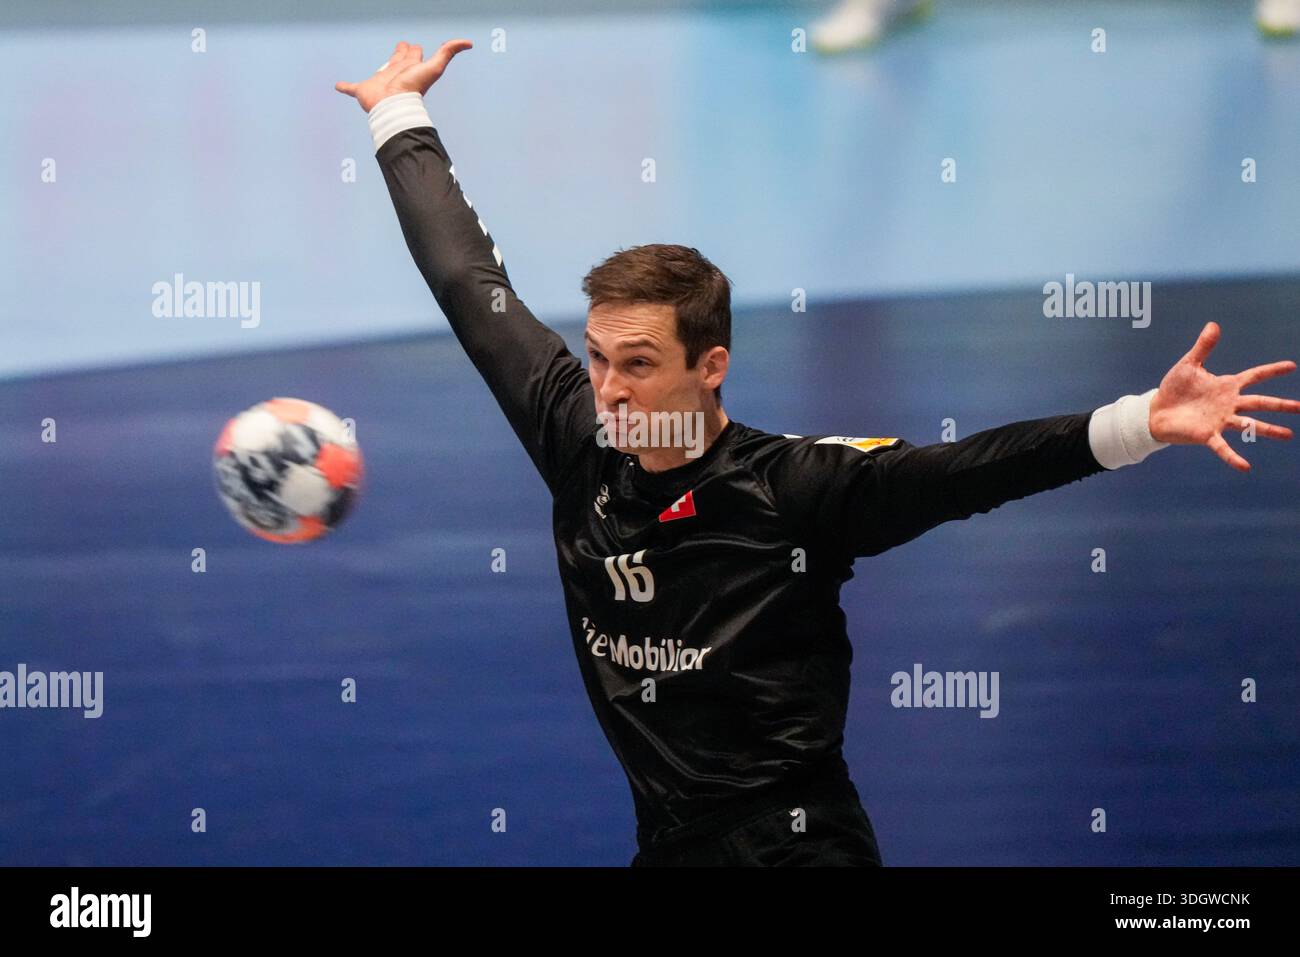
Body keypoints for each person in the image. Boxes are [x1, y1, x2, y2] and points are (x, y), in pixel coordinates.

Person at [336, 40, 1300, 866]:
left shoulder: (794, 488)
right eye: (597, 359)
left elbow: (968, 472)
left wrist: (1141, 419)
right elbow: (470, 285)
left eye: (638, 364)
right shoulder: (577, 437)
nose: (610, 389)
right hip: (667, 844)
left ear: (711, 366)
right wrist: (398, 114)